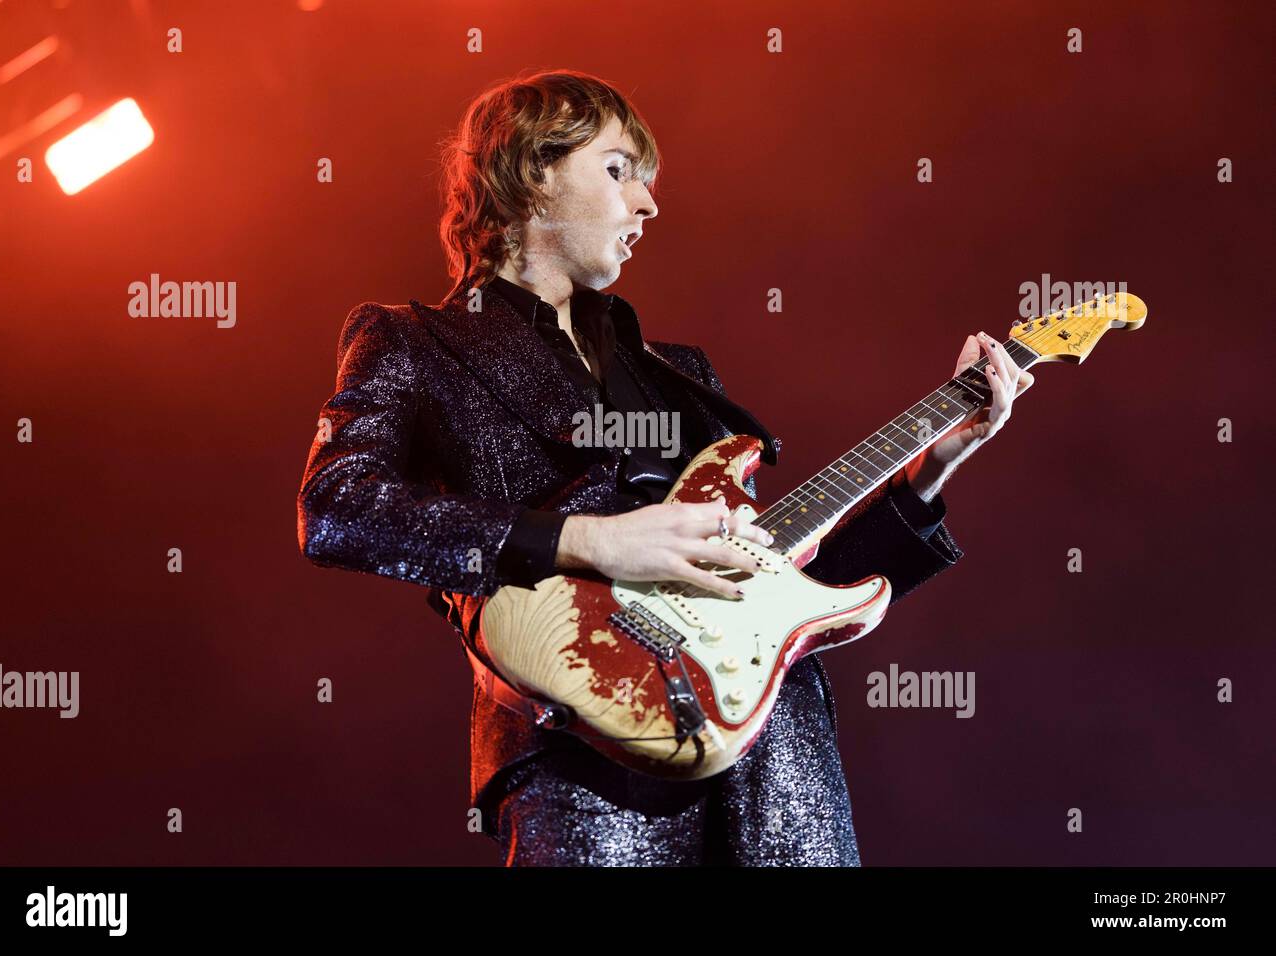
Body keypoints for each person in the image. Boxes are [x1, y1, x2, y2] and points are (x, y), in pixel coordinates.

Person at [296, 69, 1032, 866]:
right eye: (619, 170)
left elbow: (778, 588)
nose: (647, 205)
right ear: (531, 174)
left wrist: (931, 466)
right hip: (588, 752)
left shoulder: (680, 372)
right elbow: (339, 508)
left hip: (778, 766)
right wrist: (592, 543)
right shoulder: (415, 343)